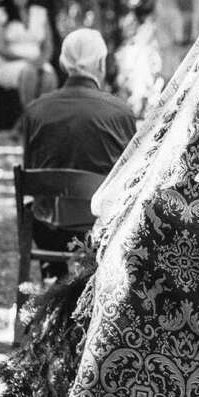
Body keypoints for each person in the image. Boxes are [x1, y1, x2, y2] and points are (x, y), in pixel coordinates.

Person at [21, 28, 137, 277]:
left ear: (64, 63)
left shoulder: (34, 111)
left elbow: (30, 179)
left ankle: (54, 281)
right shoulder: (120, 113)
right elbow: (132, 179)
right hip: (102, 229)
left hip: (50, 229)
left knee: (39, 210)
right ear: (99, 63)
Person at [0, 0, 58, 111]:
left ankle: (42, 120)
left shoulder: (40, 13)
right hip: (7, 63)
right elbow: (0, 48)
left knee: (50, 77)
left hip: (37, 61)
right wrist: (27, 60)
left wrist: (41, 60)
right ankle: (29, 116)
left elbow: (48, 46)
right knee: (29, 72)